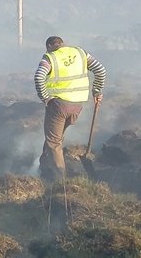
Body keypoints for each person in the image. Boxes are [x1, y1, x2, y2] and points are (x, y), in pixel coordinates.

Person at [35, 35, 106, 182]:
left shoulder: (50, 58)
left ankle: (60, 180)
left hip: (58, 106)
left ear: (49, 46)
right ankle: (43, 165)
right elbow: (100, 70)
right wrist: (97, 91)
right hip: (77, 106)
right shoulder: (80, 53)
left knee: (54, 142)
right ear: (63, 44)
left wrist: (45, 98)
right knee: (56, 137)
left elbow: (39, 77)